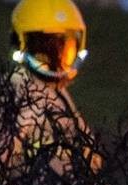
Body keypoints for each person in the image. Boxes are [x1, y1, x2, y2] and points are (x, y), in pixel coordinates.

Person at [7, 0, 93, 171]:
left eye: (64, 44)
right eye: (44, 46)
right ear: (19, 43)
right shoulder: (19, 92)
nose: (57, 56)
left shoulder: (58, 91)